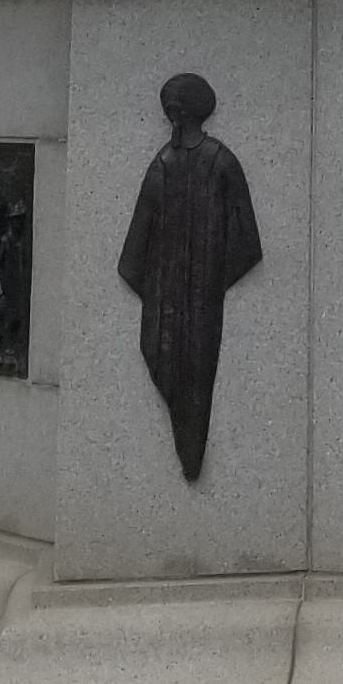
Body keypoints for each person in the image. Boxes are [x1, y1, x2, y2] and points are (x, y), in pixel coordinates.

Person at [117, 73, 262, 481]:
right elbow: (134, 254)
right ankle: (189, 454)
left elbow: (248, 242)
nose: (169, 119)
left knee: (196, 382)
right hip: (175, 300)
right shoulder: (165, 166)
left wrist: (207, 279)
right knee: (175, 371)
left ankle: (192, 454)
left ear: (181, 113)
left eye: (172, 111)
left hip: (195, 301)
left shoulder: (218, 163)